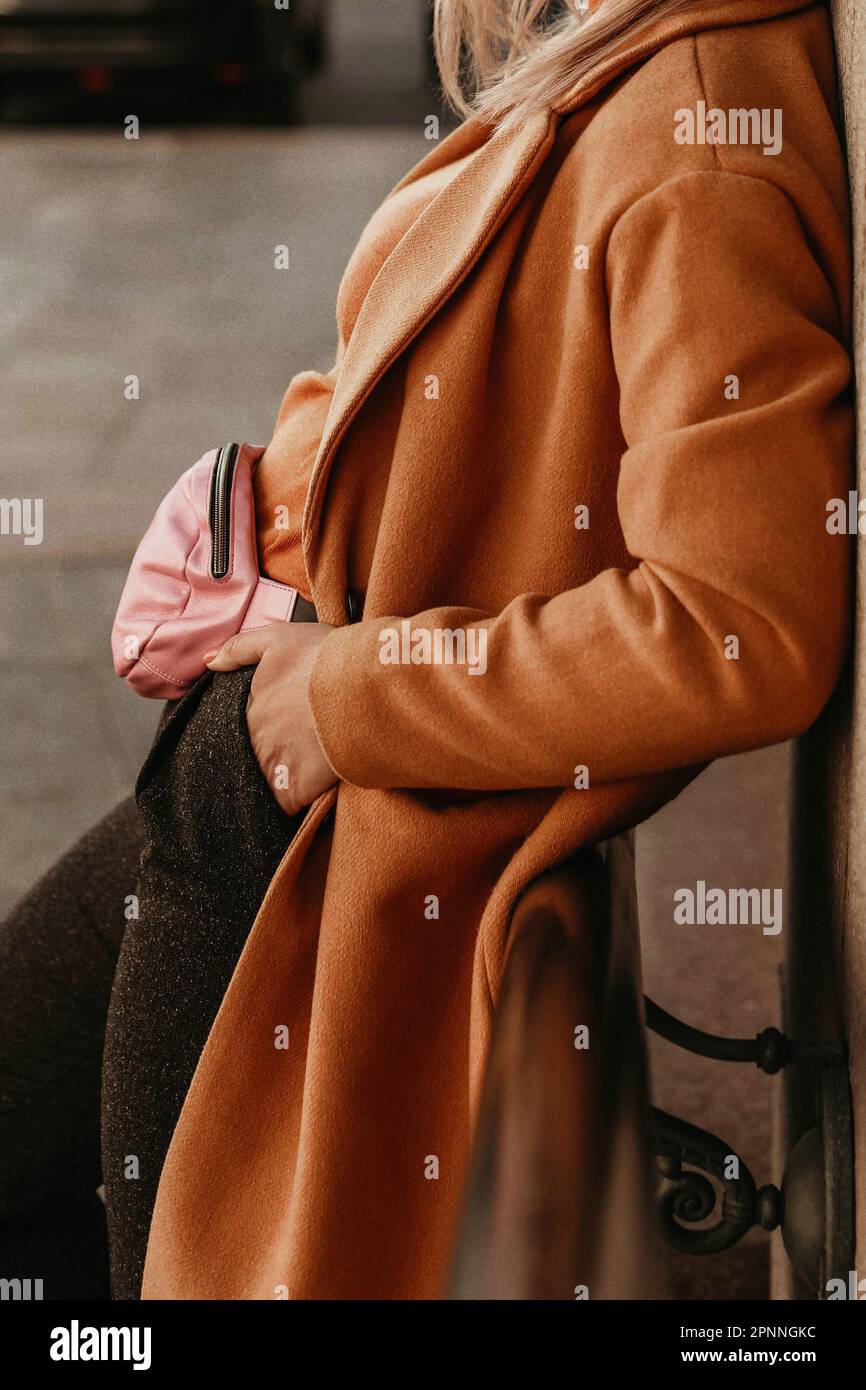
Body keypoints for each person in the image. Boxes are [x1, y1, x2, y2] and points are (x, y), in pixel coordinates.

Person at [0, 0, 853, 1301]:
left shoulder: (697, 125)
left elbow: (743, 621)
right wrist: (282, 498)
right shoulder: (624, 57)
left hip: (331, 817)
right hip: (270, 785)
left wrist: (345, 697)